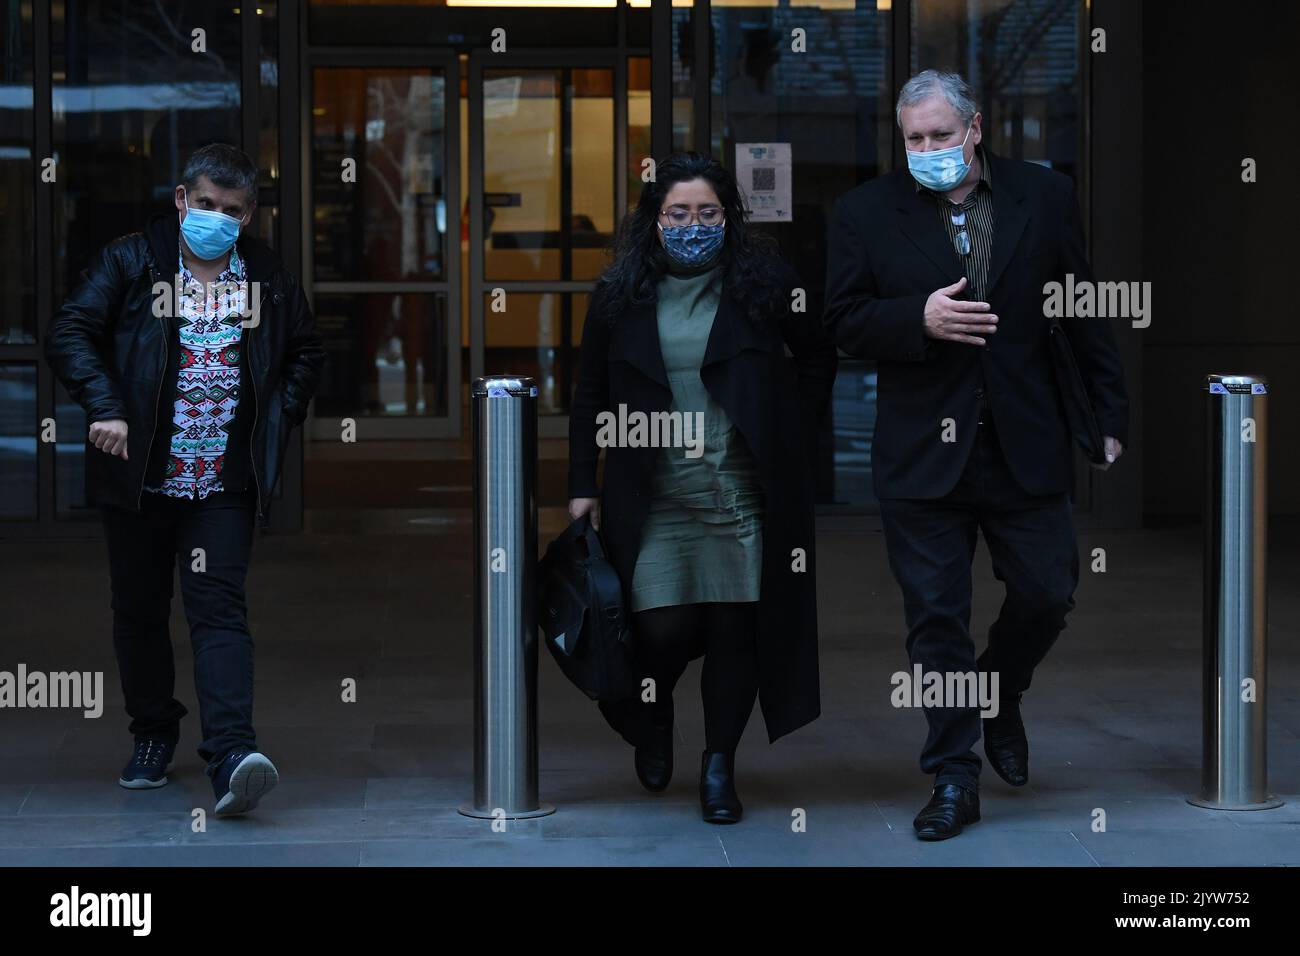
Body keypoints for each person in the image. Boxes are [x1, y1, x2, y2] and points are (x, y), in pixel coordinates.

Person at [824, 71, 1129, 840]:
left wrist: (1109, 412)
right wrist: (916, 318)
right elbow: (842, 320)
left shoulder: (1045, 197)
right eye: (913, 139)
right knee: (936, 622)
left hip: (1026, 442)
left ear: (975, 128)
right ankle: (954, 778)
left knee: (1048, 592)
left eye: (939, 135)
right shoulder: (865, 213)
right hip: (923, 455)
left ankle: (1001, 687)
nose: (927, 150)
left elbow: (1080, 307)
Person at [44, 143, 324, 816]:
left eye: (232, 210)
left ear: (249, 213)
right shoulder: (132, 260)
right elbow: (69, 330)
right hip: (140, 479)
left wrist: (273, 421)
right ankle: (152, 732)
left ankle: (232, 754)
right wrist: (106, 405)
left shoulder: (266, 275)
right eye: (205, 205)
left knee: (219, 612)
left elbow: (305, 351)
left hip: (223, 482)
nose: (217, 219)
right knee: (139, 611)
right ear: (180, 200)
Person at [568, 152, 837, 823]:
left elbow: (817, 353)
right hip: (653, 492)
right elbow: (589, 391)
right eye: (679, 213)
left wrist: (789, 431)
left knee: (734, 629)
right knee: (658, 627)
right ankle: (653, 720)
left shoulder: (765, 281)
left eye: (708, 213)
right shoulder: (619, 293)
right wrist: (581, 482)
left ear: (730, 216)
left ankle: (719, 766)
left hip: (740, 489)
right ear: (654, 220)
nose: (694, 225)